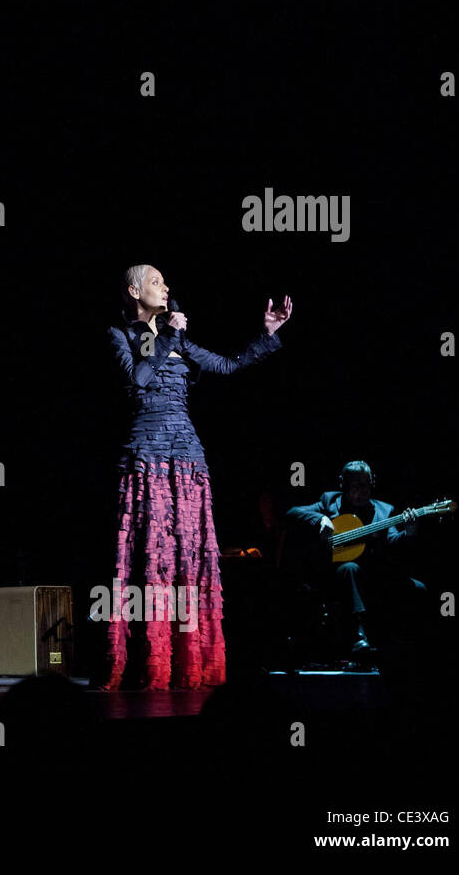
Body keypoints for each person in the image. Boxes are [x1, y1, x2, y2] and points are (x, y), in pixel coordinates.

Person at [103, 266, 291, 690]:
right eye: (156, 281)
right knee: (150, 554)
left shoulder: (178, 338)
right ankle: (147, 661)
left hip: (187, 455)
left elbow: (227, 366)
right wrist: (168, 335)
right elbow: (138, 379)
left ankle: (191, 656)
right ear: (134, 290)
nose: (166, 287)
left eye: (166, 282)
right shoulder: (122, 335)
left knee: (187, 556)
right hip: (146, 454)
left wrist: (267, 334)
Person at [285, 461, 425, 657]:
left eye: (367, 484)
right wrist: (320, 519)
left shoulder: (384, 511)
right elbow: (292, 512)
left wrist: (408, 534)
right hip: (335, 575)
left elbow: (392, 541)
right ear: (344, 485)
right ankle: (358, 637)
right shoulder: (329, 502)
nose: (363, 490)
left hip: (374, 576)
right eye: (356, 485)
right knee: (350, 568)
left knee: (418, 588)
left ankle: (415, 645)